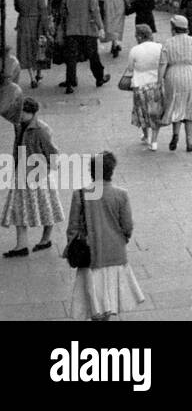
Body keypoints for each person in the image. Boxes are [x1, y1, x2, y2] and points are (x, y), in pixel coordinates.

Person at [67, 151, 145, 321]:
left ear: (91, 172)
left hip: (90, 256)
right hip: (114, 254)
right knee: (108, 297)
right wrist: (123, 238)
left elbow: (72, 226)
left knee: (94, 298)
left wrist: (72, 248)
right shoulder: (121, 194)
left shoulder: (80, 194)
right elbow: (127, 226)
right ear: (112, 171)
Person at [1, 97, 65, 257]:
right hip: (22, 173)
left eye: (22, 112)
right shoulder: (18, 125)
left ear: (31, 113)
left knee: (47, 207)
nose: (19, 115)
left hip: (38, 174)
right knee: (18, 208)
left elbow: (53, 152)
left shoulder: (42, 130)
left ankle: (45, 239)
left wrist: (46, 170)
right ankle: (21, 245)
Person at [157, 15, 192, 153]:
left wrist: (158, 81)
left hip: (173, 75)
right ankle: (190, 142)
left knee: (176, 105)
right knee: (191, 107)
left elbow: (162, 64)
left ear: (173, 28)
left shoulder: (168, 43)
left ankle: (175, 134)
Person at [59, 0, 109, 95]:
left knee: (71, 57)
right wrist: (101, 27)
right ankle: (99, 78)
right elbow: (95, 11)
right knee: (93, 56)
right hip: (88, 30)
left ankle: (70, 83)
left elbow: (63, 13)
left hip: (71, 30)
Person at [124, 24, 163, 150]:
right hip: (155, 84)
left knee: (142, 112)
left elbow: (130, 68)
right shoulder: (159, 47)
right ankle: (155, 141)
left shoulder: (135, 50)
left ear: (140, 36)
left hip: (140, 85)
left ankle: (146, 136)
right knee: (155, 112)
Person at [14, 0, 52, 88]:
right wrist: (47, 29)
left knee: (26, 49)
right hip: (37, 23)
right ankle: (39, 74)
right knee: (39, 47)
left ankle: (31, 77)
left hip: (24, 22)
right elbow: (43, 11)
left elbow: (17, 8)